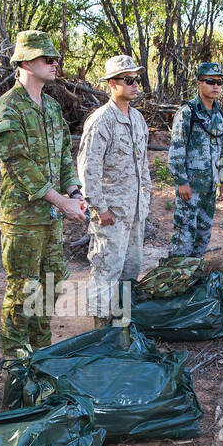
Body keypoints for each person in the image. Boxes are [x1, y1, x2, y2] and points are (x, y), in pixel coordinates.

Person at [0, 30, 86, 358]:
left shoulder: (52, 107)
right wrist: (63, 202)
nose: (55, 63)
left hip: (51, 218)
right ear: (26, 62)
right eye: (48, 58)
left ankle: (40, 356)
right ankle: (16, 365)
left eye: (56, 57)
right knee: (22, 292)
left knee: (50, 285)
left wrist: (74, 190)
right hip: (23, 220)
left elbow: (62, 156)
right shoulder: (8, 108)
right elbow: (20, 167)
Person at [77, 55, 151, 327]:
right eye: (128, 80)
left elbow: (143, 165)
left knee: (130, 269)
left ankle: (121, 326)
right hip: (110, 215)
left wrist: (145, 200)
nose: (134, 85)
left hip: (133, 213)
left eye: (136, 79)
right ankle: (100, 331)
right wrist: (99, 208)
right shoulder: (101, 121)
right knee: (106, 271)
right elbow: (88, 170)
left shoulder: (138, 119)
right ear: (112, 84)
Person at [168, 63, 223, 257]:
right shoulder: (187, 113)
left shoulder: (219, 115)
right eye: (210, 81)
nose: (215, 86)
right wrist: (181, 181)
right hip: (191, 188)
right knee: (184, 237)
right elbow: (177, 149)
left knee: (203, 237)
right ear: (199, 83)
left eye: (219, 82)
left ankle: (193, 276)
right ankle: (176, 280)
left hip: (209, 189)